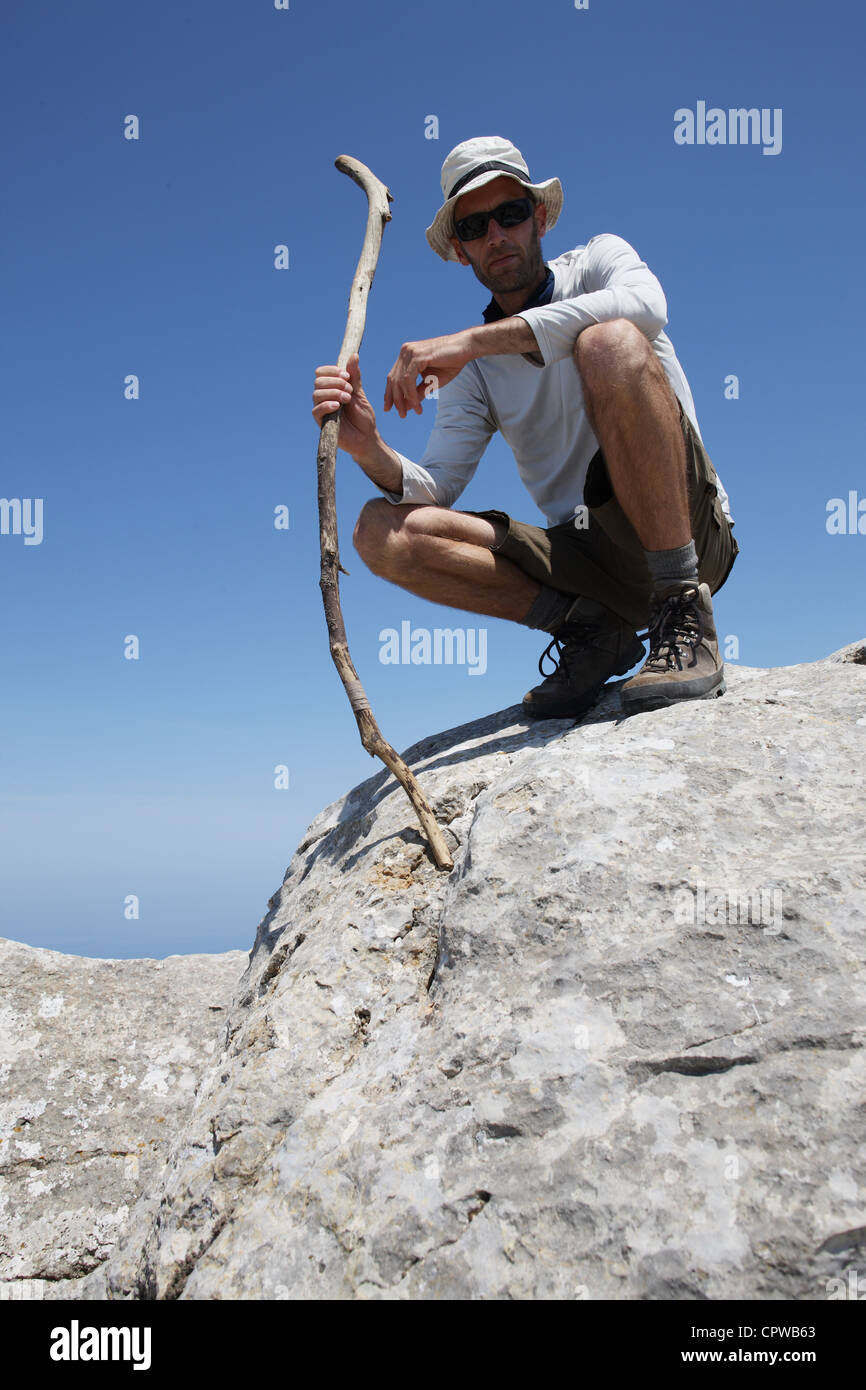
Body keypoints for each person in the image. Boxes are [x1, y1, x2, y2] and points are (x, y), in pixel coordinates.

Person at [311, 136, 739, 718]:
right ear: (461, 251)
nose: (496, 236)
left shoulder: (596, 263)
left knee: (608, 342)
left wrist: (471, 341)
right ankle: (593, 632)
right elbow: (436, 487)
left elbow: (647, 307)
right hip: (589, 560)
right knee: (378, 533)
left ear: (539, 217)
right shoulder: (471, 371)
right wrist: (369, 446)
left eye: (510, 214)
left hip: (689, 529)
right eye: (474, 227)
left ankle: (683, 610)